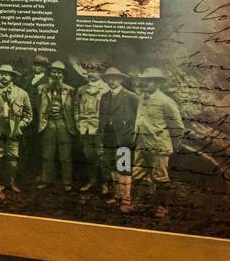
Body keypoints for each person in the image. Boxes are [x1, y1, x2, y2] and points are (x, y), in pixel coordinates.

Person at [132, 67, 184, 217]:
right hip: (142, 143)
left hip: (158, 145)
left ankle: (163, 206)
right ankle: (139, 202)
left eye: (149, 81)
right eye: (144, 81)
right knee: (138, 174)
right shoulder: (142, 97)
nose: (145, 84)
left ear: (158, 83)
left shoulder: (166, 101)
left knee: (160, 176)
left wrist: (172, 145)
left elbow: (178, 127)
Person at [0, 64, 32, 193]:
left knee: (13, 159)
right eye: (2, 73)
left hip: (13, 130)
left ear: (12, 76)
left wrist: (21, 125)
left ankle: (11, 182)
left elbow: (29, 115)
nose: (4, 76)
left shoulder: (22, 93)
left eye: (7, 74)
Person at [98, 67, 140, 212]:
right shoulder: (104, 97)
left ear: (121, 79)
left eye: (115, 78)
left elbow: (138, 118)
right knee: (112, 168)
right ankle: (118, 195)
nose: (111, 81)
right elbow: (101, 119)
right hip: (108, 137)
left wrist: (132, 136)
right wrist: (100, 136)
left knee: (123, 169)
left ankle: (126, 200)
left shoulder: (131, 96)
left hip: (124, 139)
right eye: (109, 78)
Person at [37, 61, 76, 191]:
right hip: (48, 124)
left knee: (65, 155)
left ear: (63, 75)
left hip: (64, 124)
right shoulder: (41, 88)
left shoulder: (70, 90)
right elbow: (38, 107)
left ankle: (67, 182)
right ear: (50, 73)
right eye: (54, 72)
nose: (56, 75)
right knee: (47, 154)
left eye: (59, 72)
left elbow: (74, 109)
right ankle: (47, 180)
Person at [75, 65, 110, 194]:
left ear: (100, 73)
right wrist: (78, 122)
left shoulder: (106, 89)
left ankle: (106, 183)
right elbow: (76, 108)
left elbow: (108, 111)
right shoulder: (81, 90)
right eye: (89, 71)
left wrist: (104, 127)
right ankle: (92, 180)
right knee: (89, 155)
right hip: (85, 127)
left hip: (99, 127)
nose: (91, 74)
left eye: (94, 71)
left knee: (102, 156)